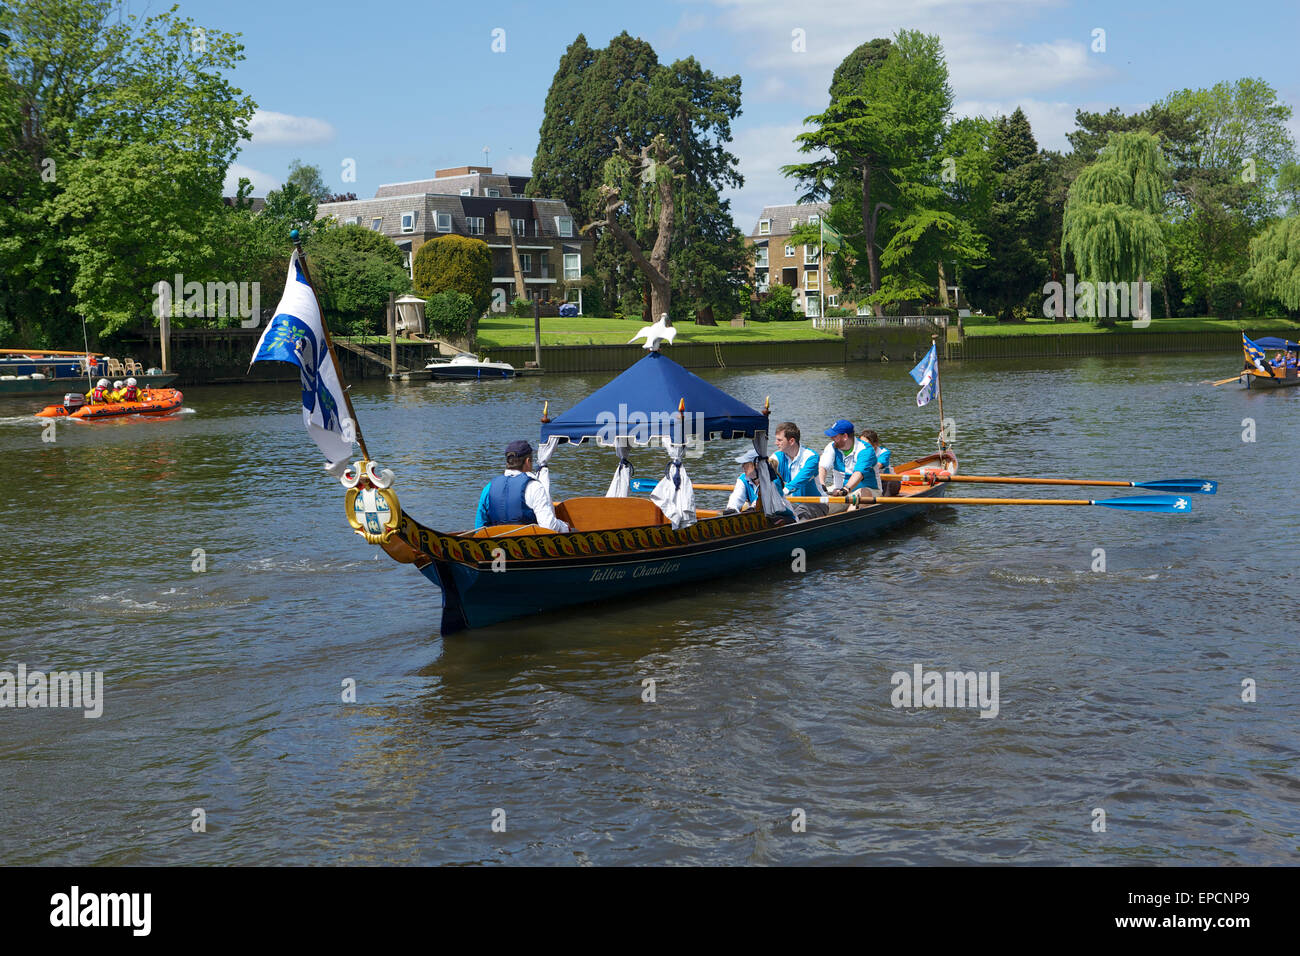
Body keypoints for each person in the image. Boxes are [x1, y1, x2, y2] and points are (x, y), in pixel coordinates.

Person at [474, 440, 571, 532]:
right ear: (528, 461)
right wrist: (565, 527)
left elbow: (479, 528)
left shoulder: (488, 487)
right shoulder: (535, 487)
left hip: (496, 546)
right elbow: (549, 526)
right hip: (529, 545)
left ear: (507, 462)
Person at [772, 421, 826, 519]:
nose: (776, 443)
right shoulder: (777, 457)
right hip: (792, 503)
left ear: (791, 441)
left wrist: (782, 492)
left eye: (779, 440)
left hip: (816, 503)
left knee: (801, 513)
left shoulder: (811, 457)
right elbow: (766, 470)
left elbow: (800, 480)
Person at [819, 419, 877, 509]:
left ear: (845, 436)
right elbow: (823, 467)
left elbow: (859, 473)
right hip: (839, 492)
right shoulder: (832, 447)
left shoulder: (865, 450)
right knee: (817, 505)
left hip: (869, 492)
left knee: (861, 493)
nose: (831, 438)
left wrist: (846, 489)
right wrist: (822, 484)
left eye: (835, 436)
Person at [726, 449, 794, 523]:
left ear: (756, 465)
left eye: (746, 464)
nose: (743, 467)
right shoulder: (743, 479)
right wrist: (732, 509)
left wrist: (752, 508)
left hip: (785, 516)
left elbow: (764, 498)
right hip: (760, 517)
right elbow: (736, 497)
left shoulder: (773, 479)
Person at [861, 429, 895, 494]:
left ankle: (885, 503)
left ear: (875, 444)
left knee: (889, 484)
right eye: (861, 443)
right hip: (871, 481)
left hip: (886, 481)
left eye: (866, 444)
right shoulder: (859, 453)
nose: (863, 446)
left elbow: (878, 465)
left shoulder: (884, 452)